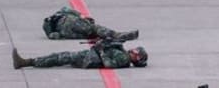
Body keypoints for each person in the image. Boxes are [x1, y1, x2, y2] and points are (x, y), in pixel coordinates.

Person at [12, 41, 148, 69]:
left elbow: (108, 65)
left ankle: (27, 62)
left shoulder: (124, 59)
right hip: (89, 56)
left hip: (89, 59)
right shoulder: (123, 53)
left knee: (58, 58)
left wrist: (100, 50)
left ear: (137, 59)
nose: (133, 50)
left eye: (136, 52)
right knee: (58, 56)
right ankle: (28, 62)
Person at [42, 6, 138, 42]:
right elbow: (66, 9)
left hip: (67, 30)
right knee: (92, 29)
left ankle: (114, 36)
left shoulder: (50, 23)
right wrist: (82, 16)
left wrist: (61, 35)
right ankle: (118, 35)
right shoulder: (60, 14)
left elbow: (54, 36)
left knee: (91, 32)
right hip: (71, 23)